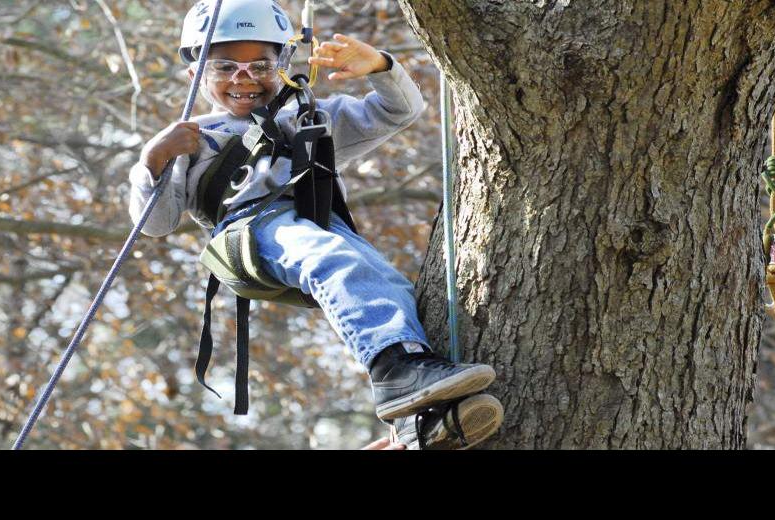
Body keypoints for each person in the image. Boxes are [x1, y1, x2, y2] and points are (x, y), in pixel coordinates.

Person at [129, 0, 502, 443]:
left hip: (320, 226)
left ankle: (416, 417)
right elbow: (155, 223)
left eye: (261, 66)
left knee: (386, 283)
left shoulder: (308, 120)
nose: (243, 79)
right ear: (195, 76)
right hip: (251, 234)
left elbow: (398, 111)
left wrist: (380, 67)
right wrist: (152, 161)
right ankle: (394, 372)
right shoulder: (191, 140)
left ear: (284, 66)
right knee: (334, 259)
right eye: (225, 66)